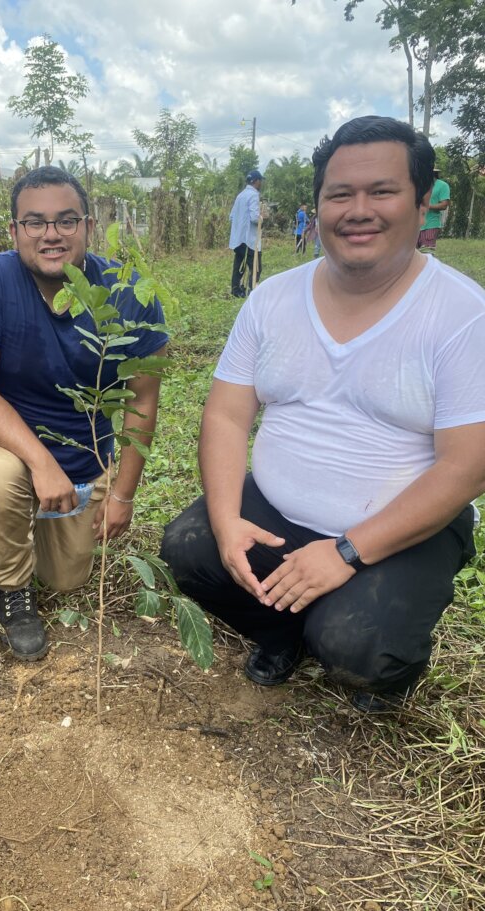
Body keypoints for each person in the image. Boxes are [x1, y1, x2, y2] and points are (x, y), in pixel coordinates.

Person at [161, 115, 485, 713]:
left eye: (381, 191)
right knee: (189, 545)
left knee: (357, 645)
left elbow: (467, 467)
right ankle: (279, 629)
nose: (358, 209)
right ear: (317, 209)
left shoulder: (464, 315)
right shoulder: (271, 300)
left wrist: (346, 552)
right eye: (340, 194)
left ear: (421, 205)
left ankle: (374, 664)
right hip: (279, 509)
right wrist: (229, 518)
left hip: (401, 530)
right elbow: (228, 416)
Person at [0, 167, 168, 661]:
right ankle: (10, 590)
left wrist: (124, 496)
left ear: (89, 226)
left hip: (82, 446)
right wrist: (40, 463)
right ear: (14, 231)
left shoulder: (127, 291)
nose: (51, 234)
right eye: (35, 222)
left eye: (66, 221)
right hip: (4, 430)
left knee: (67, 579)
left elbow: (141, 400)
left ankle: (48, 517)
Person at [229, 170, 264, 298]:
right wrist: (262, 217)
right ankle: (252, 292)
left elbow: (231, 217)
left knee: (239, 265)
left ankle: (236, 290)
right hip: (249, 240)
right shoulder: (254, 195)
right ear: (256, 181)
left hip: (238, 239)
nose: (261, 183)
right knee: (256, 267)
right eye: (260, 181)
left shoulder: (241, 195)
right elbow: (254, 218)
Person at [417, 167, 450, 253]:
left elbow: (444, 205)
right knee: (411, 257)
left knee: (427, 254)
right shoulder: (418, 185)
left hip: (430, 224)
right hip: (414, 225)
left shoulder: (442, 185)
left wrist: (426, 206)